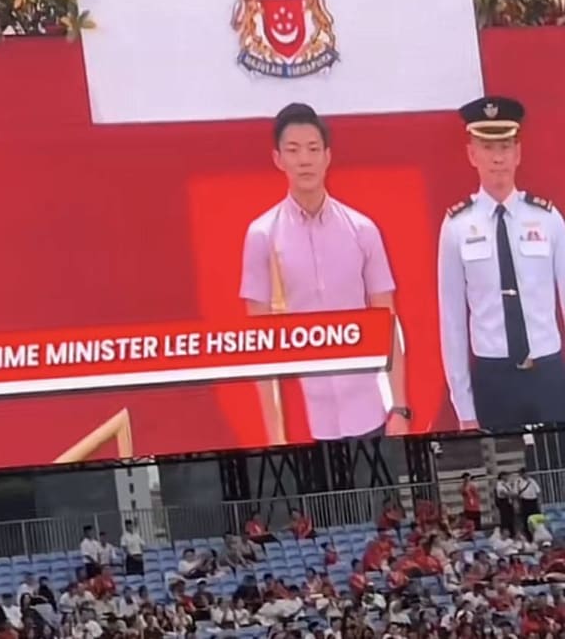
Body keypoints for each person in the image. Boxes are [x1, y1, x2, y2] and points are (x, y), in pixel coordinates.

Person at [240, 102, 410, 444]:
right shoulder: (262, 235)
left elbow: (387, 323)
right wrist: (276, 438)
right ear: (278, 159)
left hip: (371, 411)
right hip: (311, 420)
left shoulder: (362, 230)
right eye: (293, 150)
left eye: (313, 149)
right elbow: (258, 346)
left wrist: (400, 408)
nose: (305, 159)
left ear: (328, 157)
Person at [438, 95, 565, 432]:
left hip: (549, 372)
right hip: (493, 378)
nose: (497, 158)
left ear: (518, 153)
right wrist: (463, 404)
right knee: (504, 479)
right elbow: (452, 322)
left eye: (505, 146)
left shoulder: (548, 218)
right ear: (471, 154)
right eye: (487, 147)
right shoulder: (456, 226)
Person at [495, 471, 517, 535]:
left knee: (511, 518)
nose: (507, 477)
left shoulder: (507, 483)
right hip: (503, 502)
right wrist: (510, 494)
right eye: (505, 476)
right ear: (502, 476)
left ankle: (512, 532)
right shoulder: (499, 484)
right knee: (505, 519)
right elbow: (501, 492)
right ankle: (506, 533)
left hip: (509, 501)